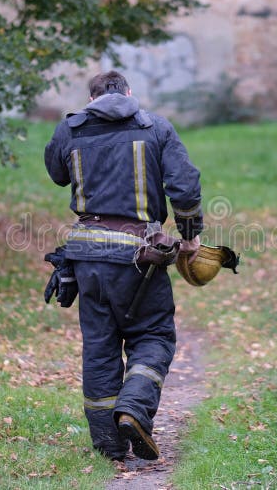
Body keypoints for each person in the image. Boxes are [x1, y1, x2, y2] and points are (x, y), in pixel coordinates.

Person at [43, 71, 202, 461]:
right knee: (154, 336)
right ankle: (133, 407)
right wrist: (191, 235)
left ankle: (108, 445)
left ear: (91, 98)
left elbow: (56, 173)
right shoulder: (156, 127)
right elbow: (184, 186)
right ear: (129, 93)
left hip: (86, 261)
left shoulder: (71, 129)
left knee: (100, 348)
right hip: (140, 258)